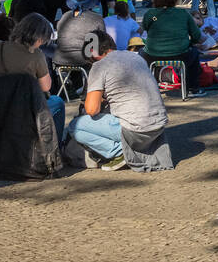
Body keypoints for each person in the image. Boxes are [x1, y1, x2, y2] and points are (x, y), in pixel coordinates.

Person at [66, 30, 171, 171]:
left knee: (75, 125)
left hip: (135, 130)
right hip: (158, 126)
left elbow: (91, 109)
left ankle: (119, 152)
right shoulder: (136, 58)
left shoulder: (99, 66)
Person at [0, 12, 68, 141]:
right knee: (57, 102)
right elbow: (46, 87)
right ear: (38, 38)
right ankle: (54, 149)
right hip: (22, 111)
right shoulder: (36, 56)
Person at [140, 0, 204, 92]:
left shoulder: (150, 14)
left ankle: (143, 88)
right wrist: (190, 42)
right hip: (180, 55)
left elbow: (143, 30)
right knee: (194, 53)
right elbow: (197, 36)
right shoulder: (183, 13)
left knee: (141, 53)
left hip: (152, 55)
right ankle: (193, 88)